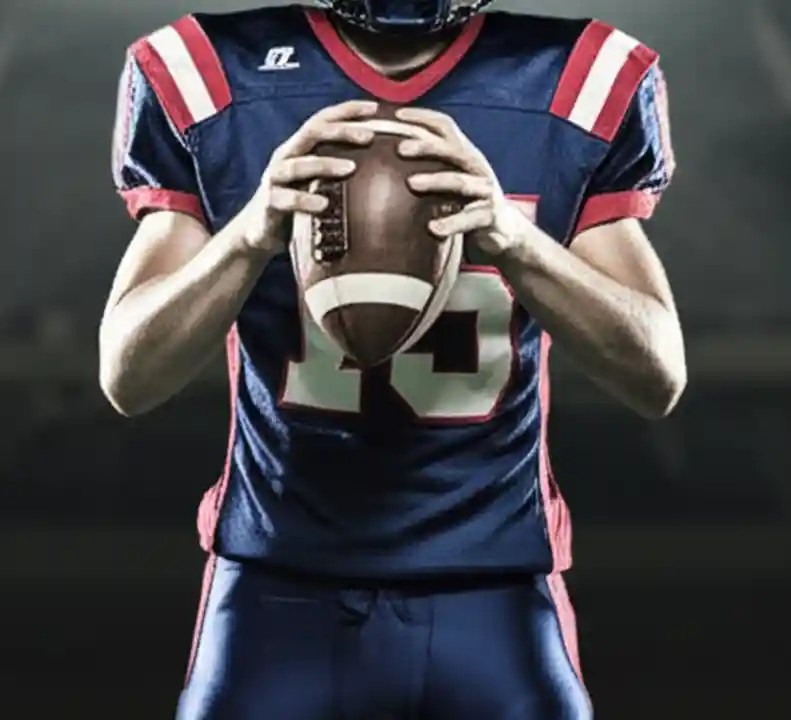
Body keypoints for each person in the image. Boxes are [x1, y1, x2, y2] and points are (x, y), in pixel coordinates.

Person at [101, 1, 685, 717]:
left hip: (492, 583)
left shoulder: (578, 82)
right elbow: (126, 375)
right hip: (278, 585)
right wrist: (250, 234)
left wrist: (514, 239)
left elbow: (659, 374)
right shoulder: (209, 76)